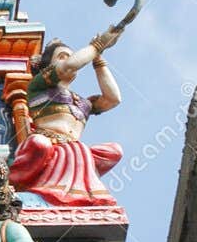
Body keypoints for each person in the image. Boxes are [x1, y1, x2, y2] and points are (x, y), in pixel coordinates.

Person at [7, 27, 124, 206]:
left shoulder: (82, 102)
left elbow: (113, 99)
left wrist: (98, 59)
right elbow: (69, 66)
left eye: (72, 55)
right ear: (46, 67)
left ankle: (78, 194)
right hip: (48, 145)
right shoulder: (38, 86)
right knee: (40, 144)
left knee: (114, 150)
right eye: (62, 56)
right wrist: (97, 45)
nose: (69, 59)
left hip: (76, 151)